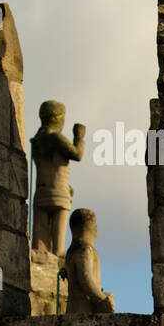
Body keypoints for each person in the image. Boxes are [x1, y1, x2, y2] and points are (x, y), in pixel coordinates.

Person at [30, 100, 84, 254]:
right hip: (59, 194)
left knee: (39, 244)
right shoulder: (56, 138)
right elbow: (77, 154)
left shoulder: (36, 141)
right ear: (59, 118)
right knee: (59, 247)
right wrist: (79, 136)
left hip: (41, 192)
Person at [65, 209, 114, 313]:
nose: (96, 228)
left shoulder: (72, 250)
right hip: (83, 309)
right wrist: (103, 300)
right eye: (94, 224)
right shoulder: (84, 250)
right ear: (88, 227)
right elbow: (86, 280)